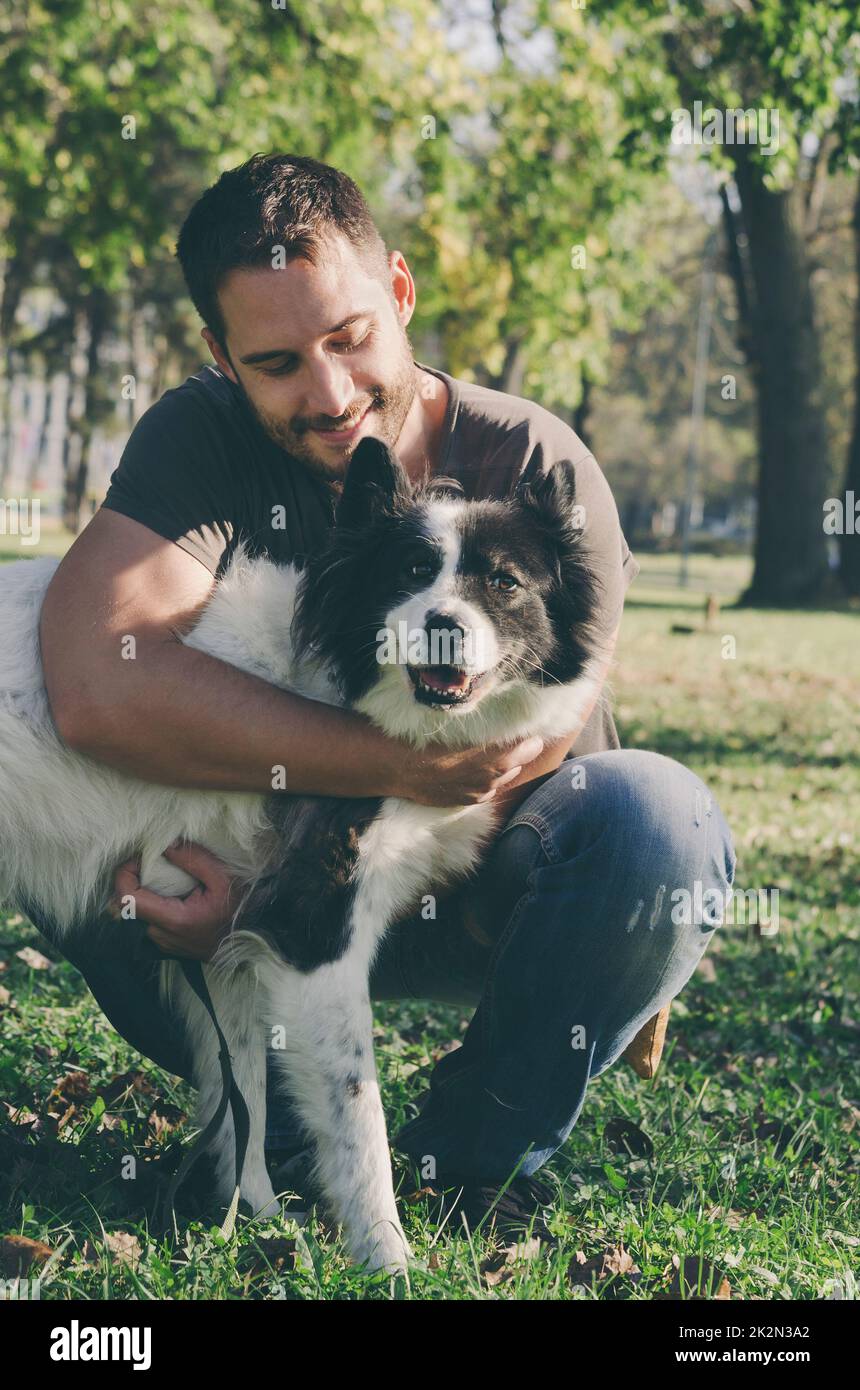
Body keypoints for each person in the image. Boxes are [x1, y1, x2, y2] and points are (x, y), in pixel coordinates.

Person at [34, 154, 735, 1239]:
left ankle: (463, 1160)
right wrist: (294, 865)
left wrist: (634, 951)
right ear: (221, 359)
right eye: (273, 361)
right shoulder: (201, 435)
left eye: (349, 336)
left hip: (463, 889)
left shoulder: (529, 457)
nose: (327, 393)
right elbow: (92, 682)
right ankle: (257, 1146)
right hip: (230, 890)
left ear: (400, 292)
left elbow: (550, 752)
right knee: (68, 793)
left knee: (658, 819)